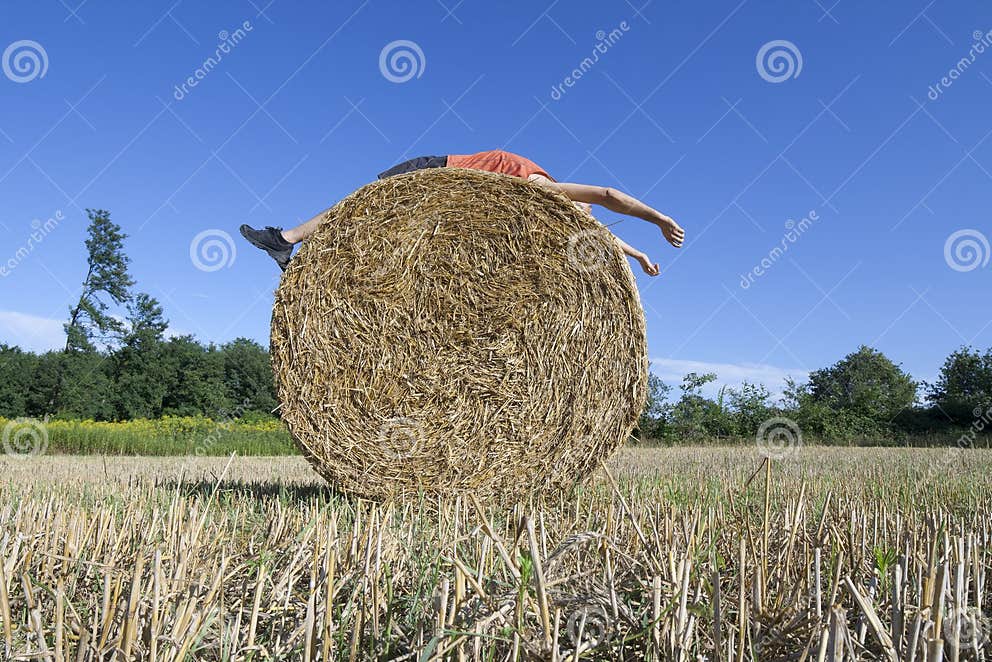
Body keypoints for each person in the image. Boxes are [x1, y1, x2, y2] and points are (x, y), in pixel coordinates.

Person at [239, 149, 684, 275]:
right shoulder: (539, 186)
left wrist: (637, 255)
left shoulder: (537, 201)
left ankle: (294, 247)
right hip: (436, 172)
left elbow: (597, 229)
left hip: (446, 197)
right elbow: (606, 195)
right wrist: (659, 219)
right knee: (368, 203)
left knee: (374, 216)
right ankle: (291, 241)